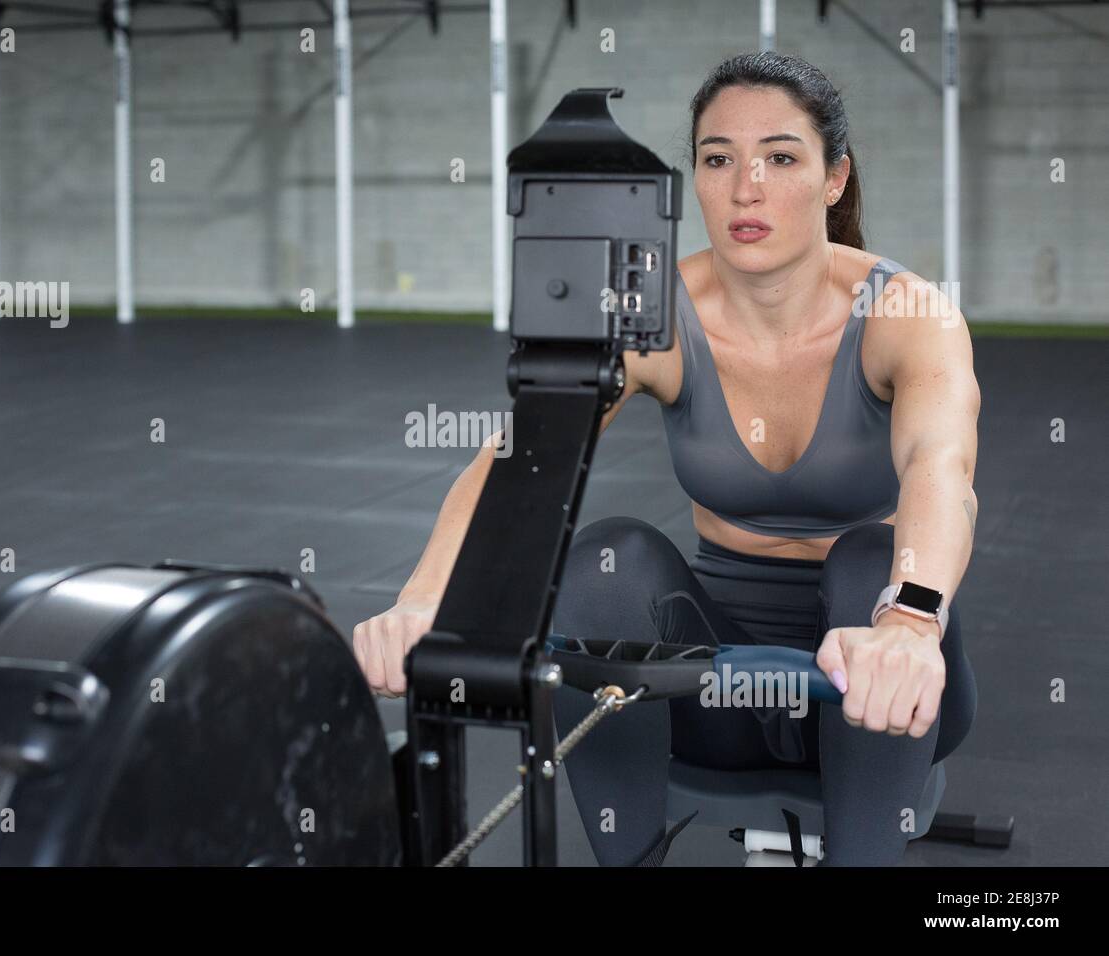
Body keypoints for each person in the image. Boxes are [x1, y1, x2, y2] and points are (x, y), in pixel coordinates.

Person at [353, 50, 979, 867]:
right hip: (714, 689)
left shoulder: (906, 313)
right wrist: (424, 601)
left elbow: (942, 466)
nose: (745, 187)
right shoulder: (656, 314)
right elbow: (521, 456)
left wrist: (907, 622)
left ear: (834, 178)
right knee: (611, 557)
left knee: (869, 558)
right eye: (718, 159)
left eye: (780, 158)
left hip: (884, 686)